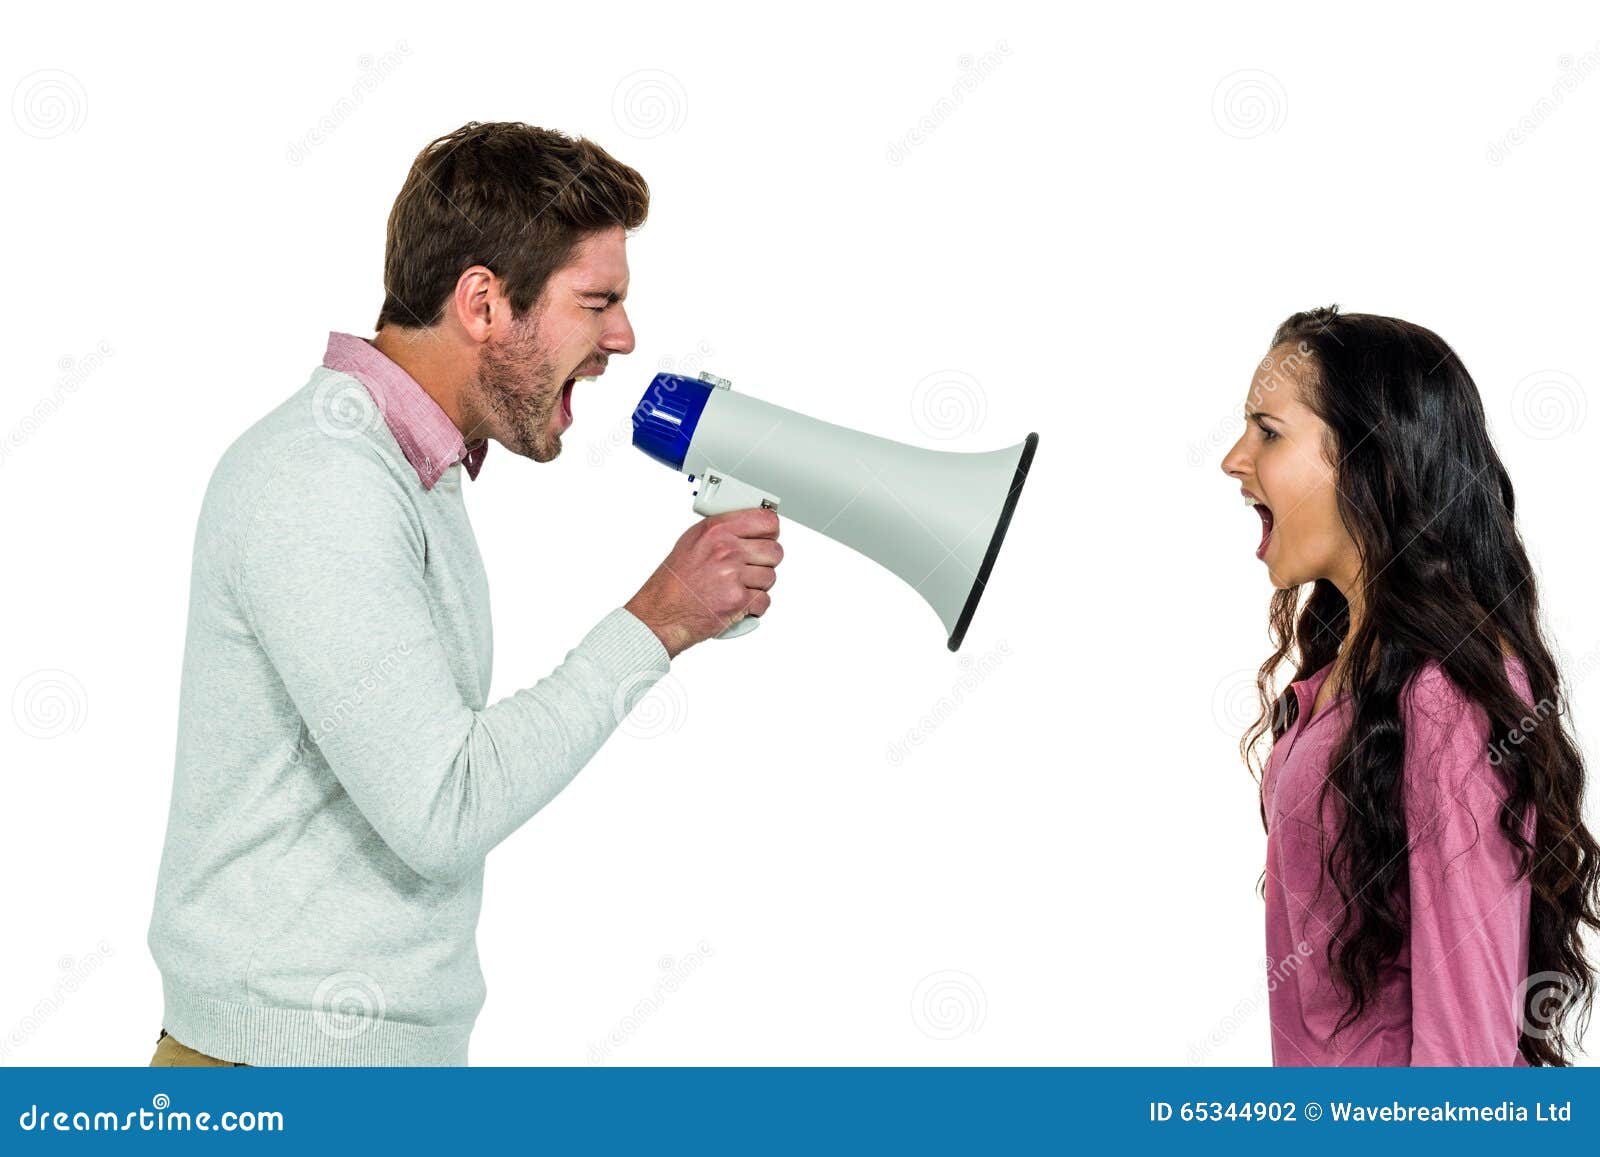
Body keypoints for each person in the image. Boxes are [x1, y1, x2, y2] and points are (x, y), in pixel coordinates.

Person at [146, 121, 782, 1066]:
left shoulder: (405, 468)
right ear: (483, 302)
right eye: (597, 301)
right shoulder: (324, 477)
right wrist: (659, 621)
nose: (623, 337)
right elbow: (441, 806)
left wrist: (685, 610)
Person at [1220, 305, 1600, 1065]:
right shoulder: (1341, 685)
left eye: (1268, 432)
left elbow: (1467, 1052)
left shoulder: (1445, 696)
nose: (1234, 460)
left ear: (1368, 459)